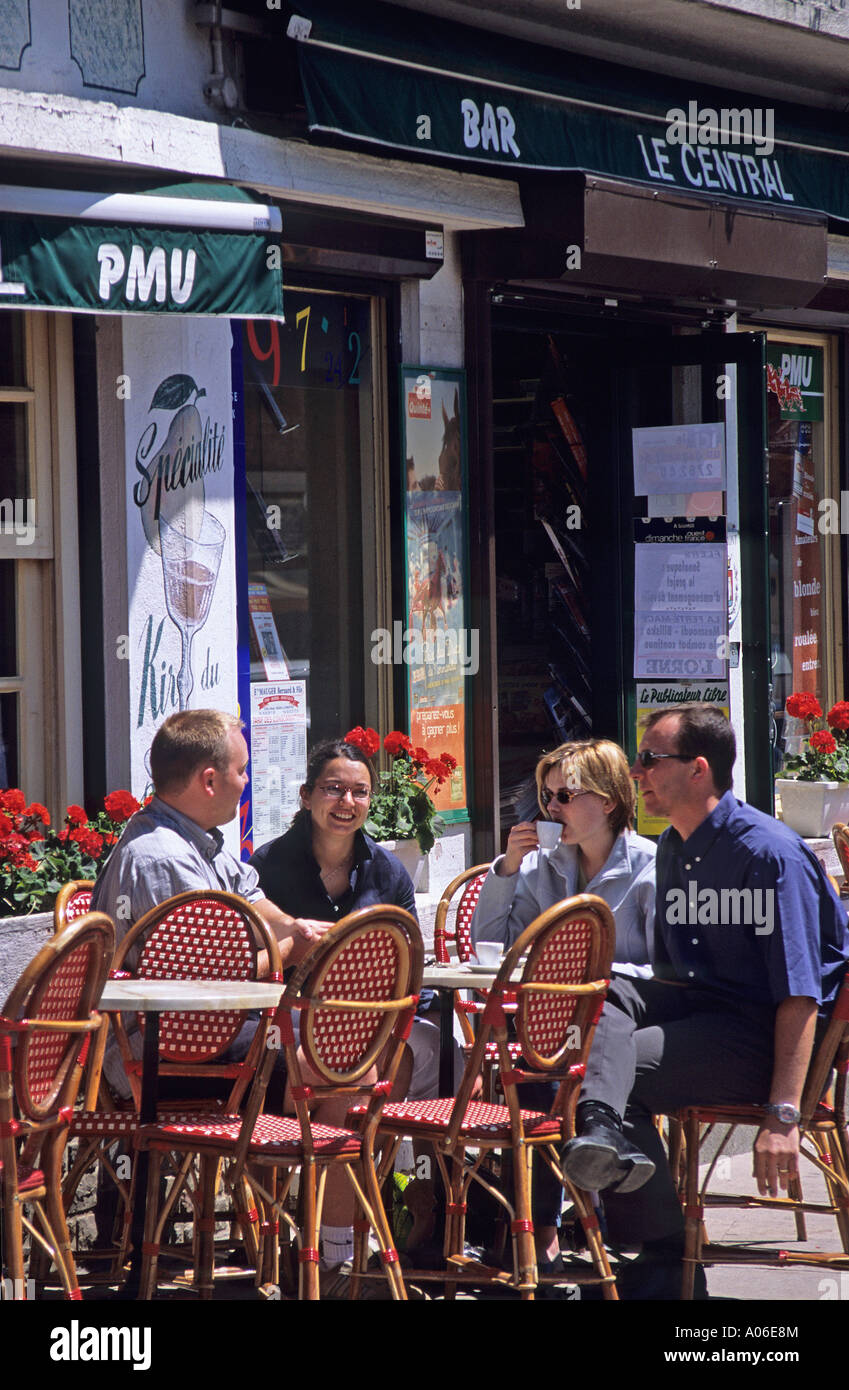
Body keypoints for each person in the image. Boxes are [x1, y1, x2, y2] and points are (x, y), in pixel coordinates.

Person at [560, 704, 849, 1298]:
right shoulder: (671, 847)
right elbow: (671, 976)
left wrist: (783, 1114)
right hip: (701, 1012)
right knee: (606, 993)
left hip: (761, 1038)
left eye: (648, 759)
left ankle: (665, 1263)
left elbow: (800, 996)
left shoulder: (769, 854)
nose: (636, 772)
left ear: (697, 770)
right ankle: (601, 1131)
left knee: (615, 1071)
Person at [251, 736, 458, 1286]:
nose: (346, 802)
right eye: (333, 789)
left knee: (434, 1053)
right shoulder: (269, 865)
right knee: (356, 1074)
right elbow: (257, 956)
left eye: (359, 792)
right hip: (290, 1021)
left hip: (369, 1022)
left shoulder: (387, 871)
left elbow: (409, 956)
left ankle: (404, 1203)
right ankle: (347, 1246)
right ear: (306, 796)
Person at [471, 738, 656, 1274]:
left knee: (548, 1069)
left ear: (611, 801)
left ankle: (546, 1226)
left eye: (566, 796)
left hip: (625, 1027)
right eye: (547, 797)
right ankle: (550, 1222)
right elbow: (494, 947)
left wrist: (594, 982)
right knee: (536, 1061)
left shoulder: (649, 869)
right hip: (549, 1027)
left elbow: (669, 969)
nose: (551, 809)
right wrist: (507, 867)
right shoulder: (542, 867)